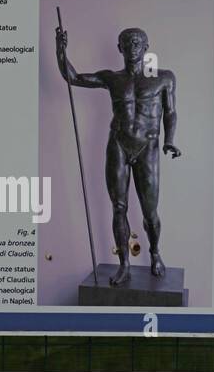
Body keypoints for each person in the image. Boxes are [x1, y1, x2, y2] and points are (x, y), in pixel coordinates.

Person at [55, 24, 180, 286]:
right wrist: (61, 49)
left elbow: (170, 112)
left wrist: (170, 141)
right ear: (119, 47)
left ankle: (155, 252)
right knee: (119, 207)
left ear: (146, 47)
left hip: (148, 147)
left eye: (138, 42)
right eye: (127, 41)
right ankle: (124, 264)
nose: (132, 46)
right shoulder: (112, 78)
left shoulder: (164, 77)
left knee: (150, 212)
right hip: (119, 145)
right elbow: (74, 77)